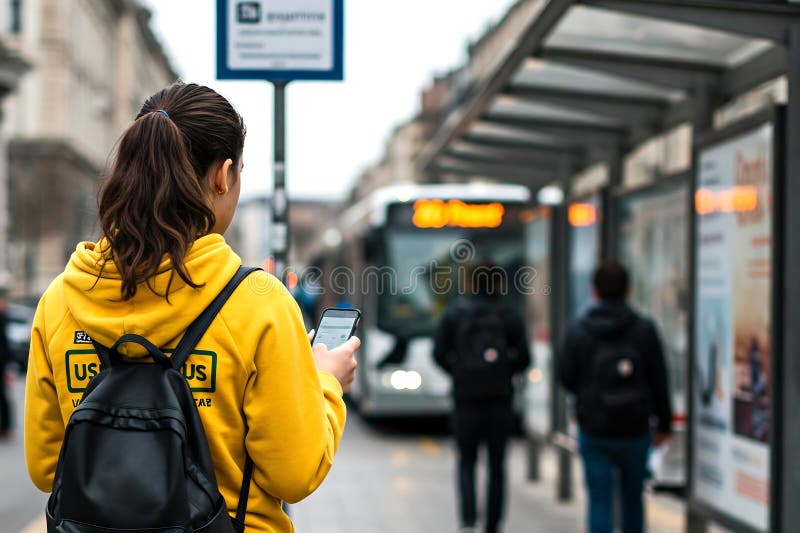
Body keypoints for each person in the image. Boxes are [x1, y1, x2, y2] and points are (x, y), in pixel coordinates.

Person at [24, 82, 359, 532]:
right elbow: (294, 474)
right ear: (223, 175)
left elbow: (47, 467)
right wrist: (327, 383)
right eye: (239, 172)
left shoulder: (60, 300)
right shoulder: (259, 302)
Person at [558, 260, 672, 533]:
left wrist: (585, 398)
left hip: (594, 426)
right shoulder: (644, 328)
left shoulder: (579, 329)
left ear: (594, 291)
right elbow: (659, 379)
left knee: (600, 499)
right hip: (635, 427)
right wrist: (664, 424)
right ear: (628, 290)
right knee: (633, 498)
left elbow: (565, 376)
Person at [433, 259, 531, 533]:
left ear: (469, 283)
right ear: (499, 283)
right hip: (500, 399)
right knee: (497, 465)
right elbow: (525, 358)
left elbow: (438, 353)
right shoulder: (509, 315)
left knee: (467, 461)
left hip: (465, 399)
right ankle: (493, 525)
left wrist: (459, 372)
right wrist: (504, 370)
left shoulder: (455, 314)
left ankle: (467, 522)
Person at [0, 292, 11, 440]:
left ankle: (5, 427)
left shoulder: (3, 320)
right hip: (3, 362)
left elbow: (5, 346)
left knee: (2, 395)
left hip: (2, 364)